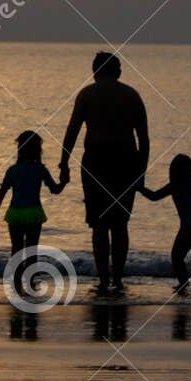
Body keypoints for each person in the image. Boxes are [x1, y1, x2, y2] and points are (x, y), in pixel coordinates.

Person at [61, 51, 149, 298]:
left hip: (96, 161)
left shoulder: (87, 94)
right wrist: (141, 172)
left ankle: (103, 280)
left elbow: (72, 131)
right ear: (118, 71)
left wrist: (63, 162)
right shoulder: (131, 95)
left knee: (99, 224)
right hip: (125, 161)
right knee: (120, 223)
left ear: (94, 71)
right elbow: (143, 139)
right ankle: (118, 279)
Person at [139, 154, 191, 295]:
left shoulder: (174, 186)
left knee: (177, 256)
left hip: (189, 227)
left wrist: (139, 188)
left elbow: (154, 196)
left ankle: (183, 282)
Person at [0, 131, 65, 268]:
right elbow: (55, 190)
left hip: (15, 214)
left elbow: (2, 192)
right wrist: (64, 181)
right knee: (32, 251)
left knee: (16, 249)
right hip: (34, 214)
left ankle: (16, 279)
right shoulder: (40, 169)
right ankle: (30, 280)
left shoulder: (13, 170)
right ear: (38, 150)